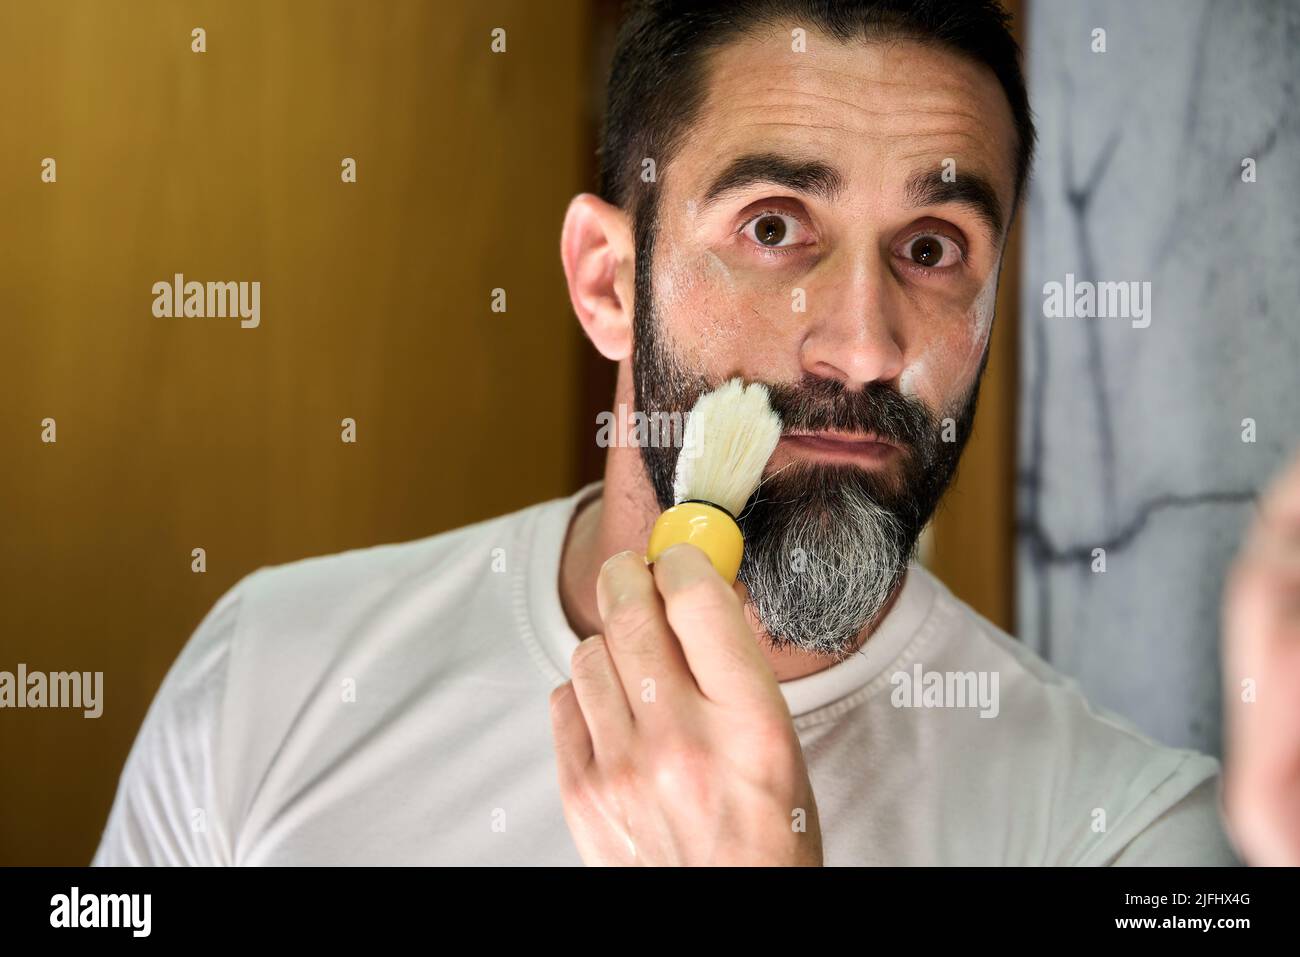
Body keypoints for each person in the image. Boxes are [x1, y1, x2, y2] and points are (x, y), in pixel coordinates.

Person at [92, 0, 1238, 866]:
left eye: (932, 246)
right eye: (775, 224)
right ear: (605, 283)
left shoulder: (1132, 835)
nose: (862, 345)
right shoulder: (267, 676)